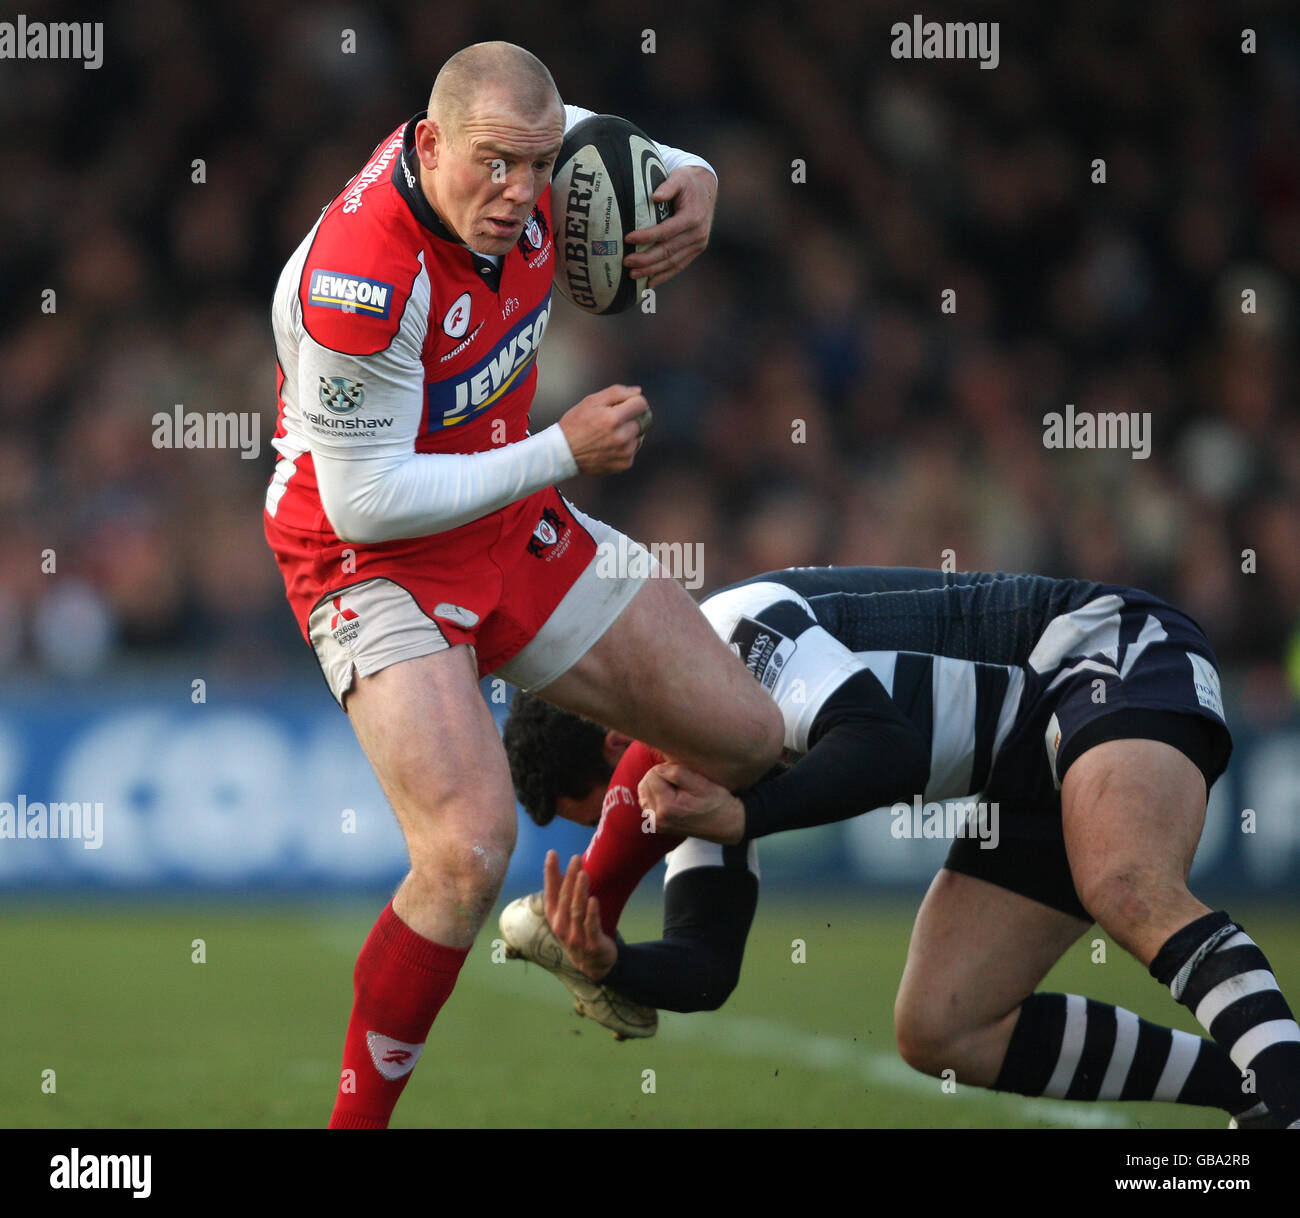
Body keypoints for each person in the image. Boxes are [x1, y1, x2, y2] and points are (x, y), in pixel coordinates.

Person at [264, 41, 782, 1129]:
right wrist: (560, 452)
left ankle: (579, 916)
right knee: (465, 853)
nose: (520, 195)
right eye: (495, 166)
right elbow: (367, 503)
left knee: (743, 737)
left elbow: (605, 140)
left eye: (538, 168)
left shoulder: (526, 156)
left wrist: (699, 180)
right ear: (431, 141)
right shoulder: (360, 271)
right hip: (372, 554)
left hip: (508, 520)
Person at [501, 565, 1300, 1128]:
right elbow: (706, 962)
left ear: (617, 741)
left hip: (1100, 654)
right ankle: (1255, 1086)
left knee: (1125, 886)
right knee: (942, 1026)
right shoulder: (688, 775)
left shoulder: (730, 633)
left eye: (613, 811)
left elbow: (880, 745)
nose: (637, 823)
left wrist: (746, 820)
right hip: (1025, 768)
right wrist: (613, 965)